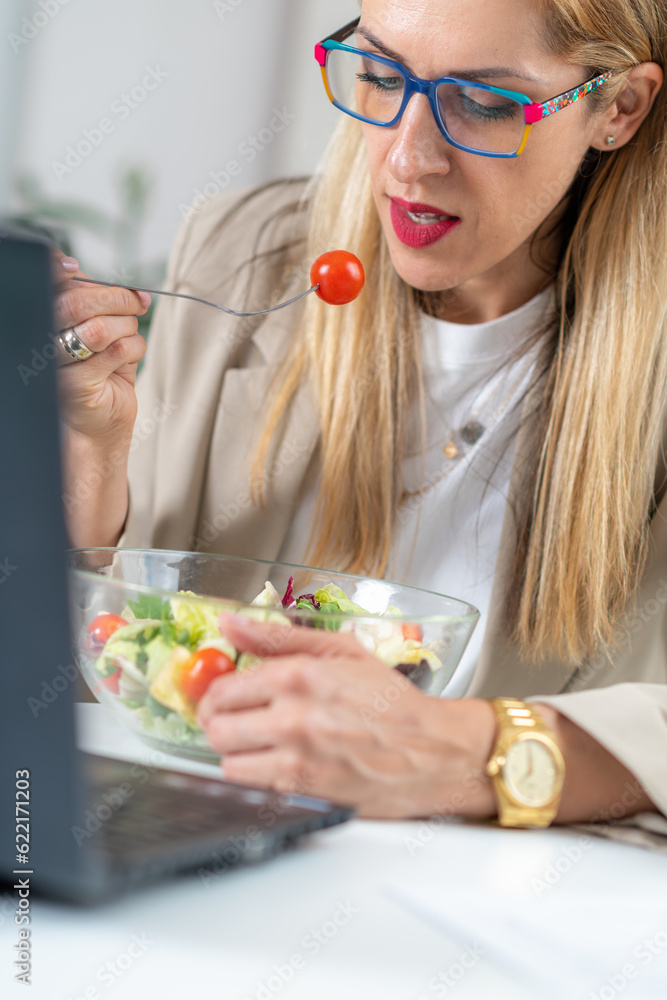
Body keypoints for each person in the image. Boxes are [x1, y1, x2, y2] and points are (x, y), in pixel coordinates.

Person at [53, 0, 667, 847]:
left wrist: (469, 754)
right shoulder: (247, 251)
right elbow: (100, 678)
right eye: (380, 76)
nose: (409, 159)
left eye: (483, 103)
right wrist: (89, 454)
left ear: (619, 108)